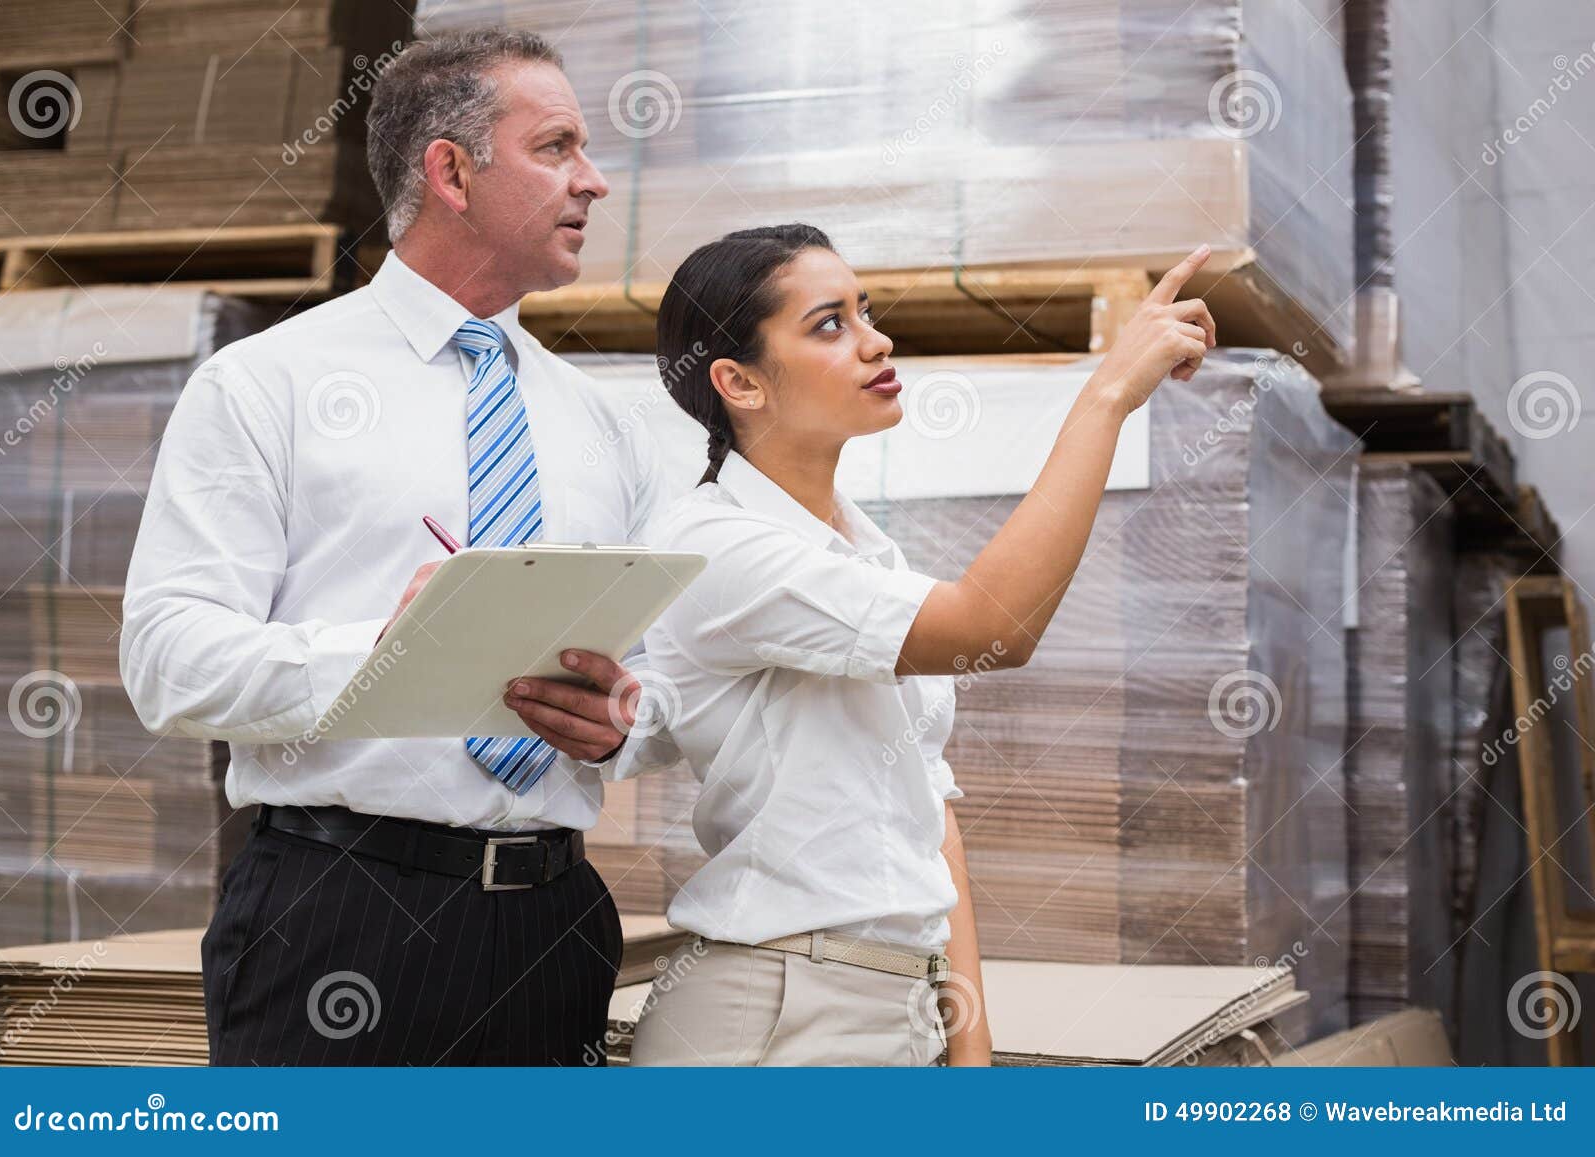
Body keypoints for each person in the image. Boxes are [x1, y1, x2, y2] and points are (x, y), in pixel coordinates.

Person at [119, 29, 663, 1066]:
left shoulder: (603, 422)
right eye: (557, 146)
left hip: (554, 923)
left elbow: (659, 676)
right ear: (450, 171)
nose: (593, 179)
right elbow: (168, 661)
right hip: (342, 915)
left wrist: (620, 720)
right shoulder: (265, 385)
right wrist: (390, 654)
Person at [608, 225, 1216, 1066]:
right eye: (830, 324)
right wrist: (1105, 393)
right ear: (738, 381)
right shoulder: (718, 547)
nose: (876, 339)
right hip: (776, 1015)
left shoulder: (865, 553)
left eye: (867, 311)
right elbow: (992, 628)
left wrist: (970, 1055)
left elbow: (929, 814)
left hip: (895, 1009)